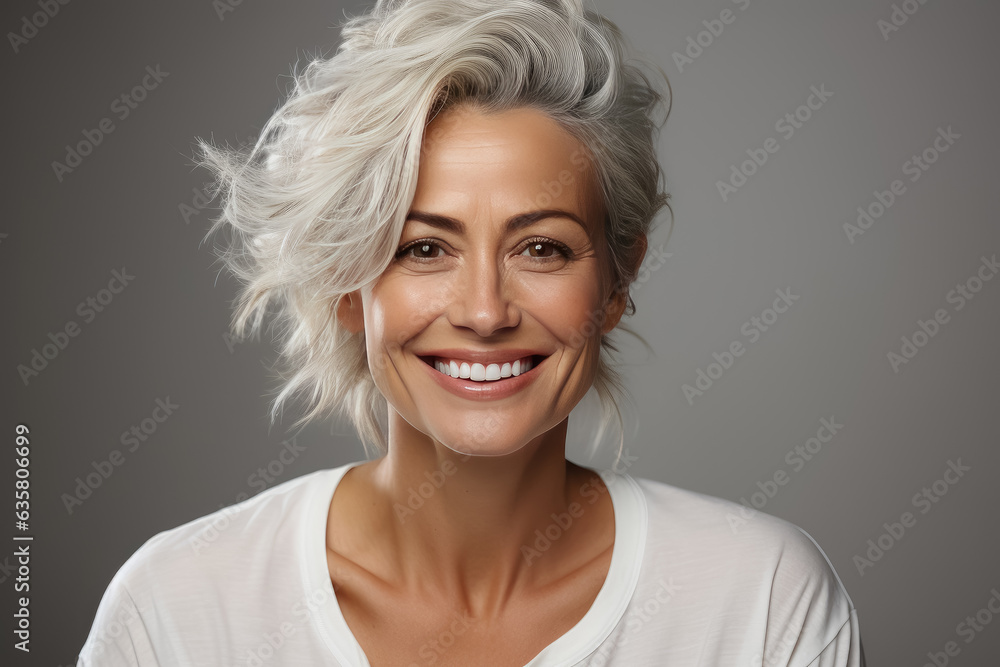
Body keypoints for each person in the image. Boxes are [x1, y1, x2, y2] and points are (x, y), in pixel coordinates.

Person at [77, 0, 866, 664]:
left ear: (618, 281)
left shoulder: (761, 602)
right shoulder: (177, 612)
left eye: (542, 247)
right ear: (347, 284)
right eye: (424, 248)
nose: (485, 311)